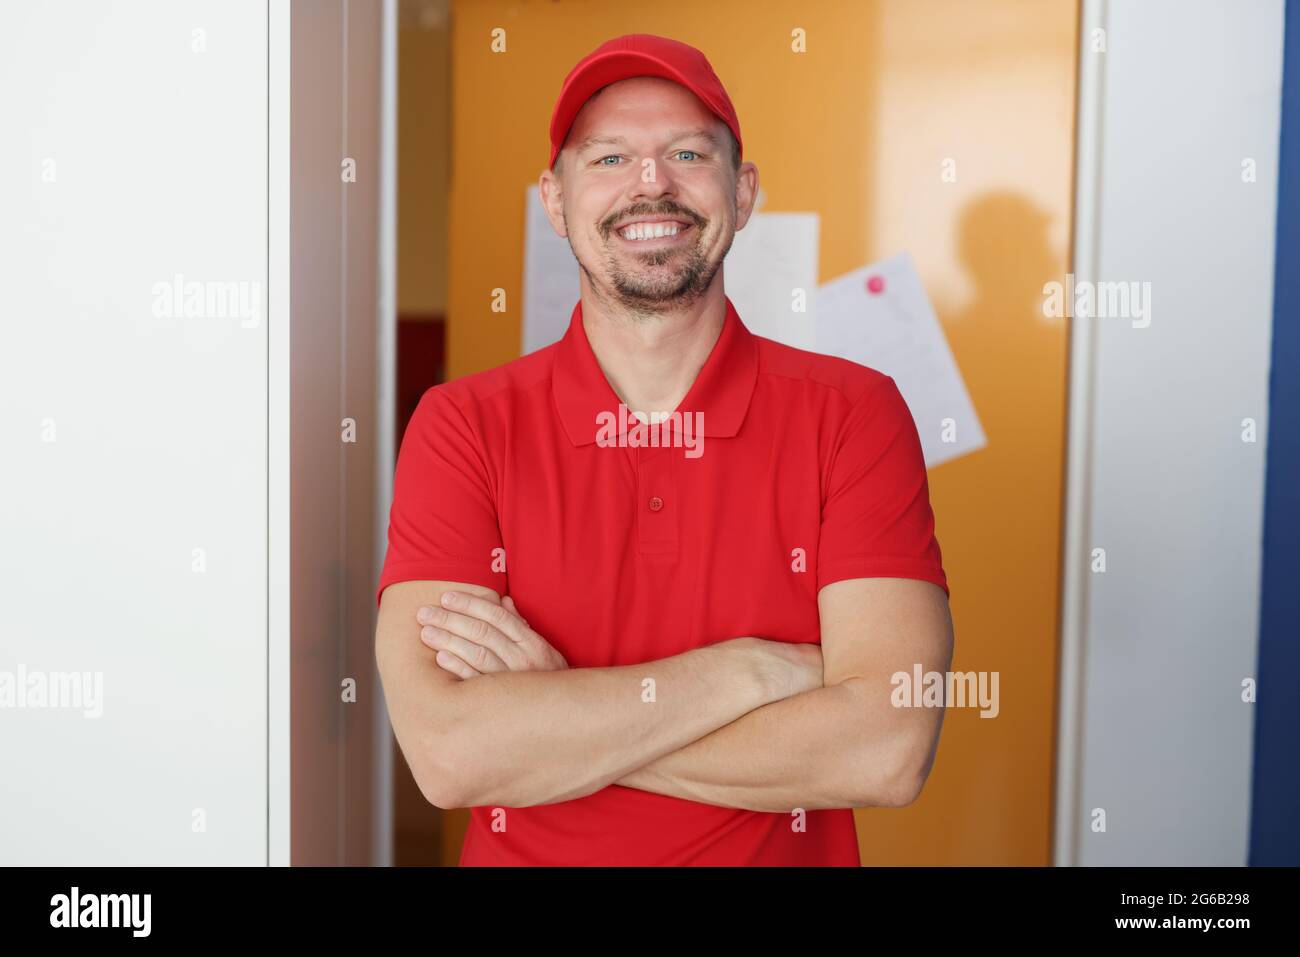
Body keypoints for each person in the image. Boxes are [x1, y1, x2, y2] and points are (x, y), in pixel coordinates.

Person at [375, 33, 954, 866]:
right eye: (609, 158)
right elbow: (450, 755)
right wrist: (749, 672)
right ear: (554, 198)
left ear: (743, 192)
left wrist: (552, 715)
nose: (652, 182)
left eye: (687, 152)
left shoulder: (854, 415)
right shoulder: (461, 424)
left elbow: (886, 747)